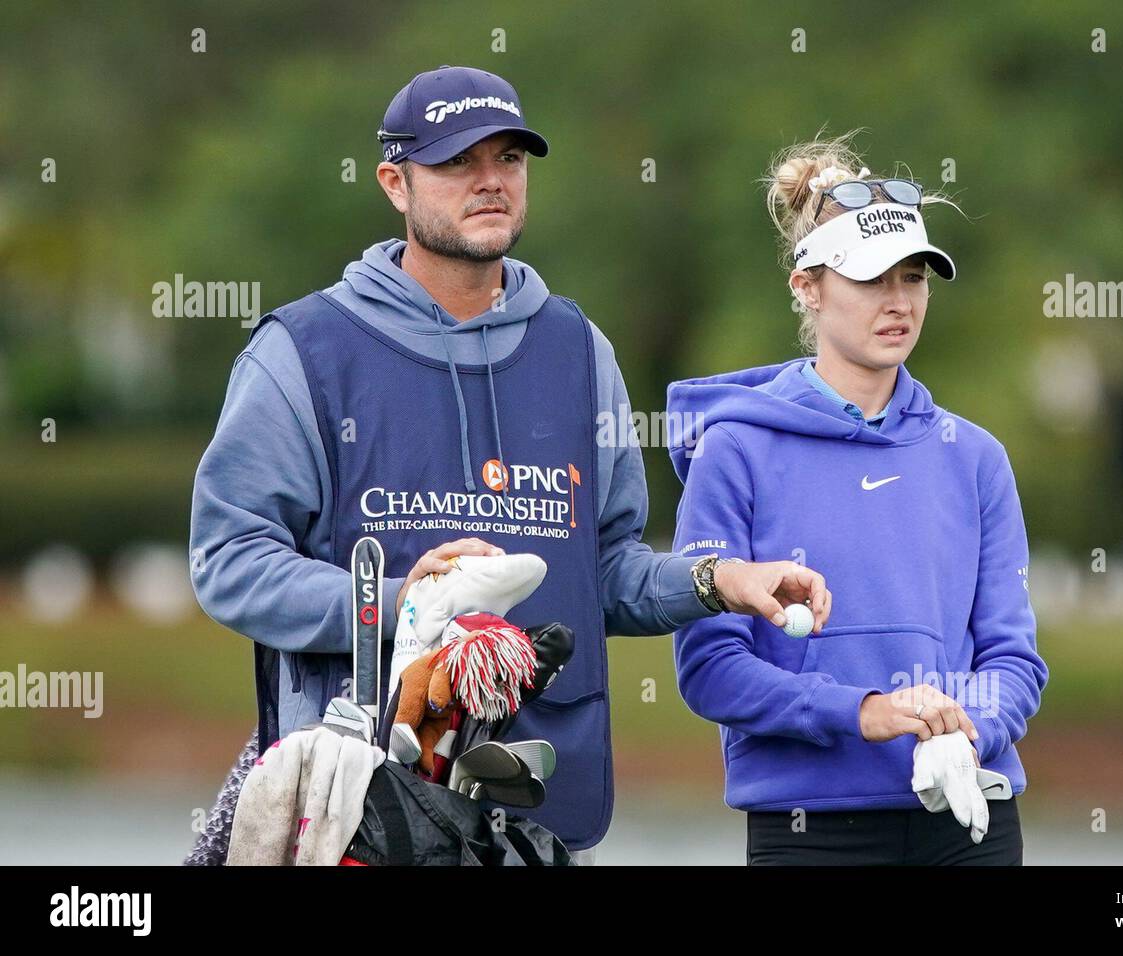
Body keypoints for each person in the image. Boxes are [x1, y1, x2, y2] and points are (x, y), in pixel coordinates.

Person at [184, 66, 830, 864]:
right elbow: (229, 562)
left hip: (539, 814)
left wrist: (716, 581)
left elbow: (607, 571)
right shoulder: (302, 352)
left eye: (510, 159)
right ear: (395, 182)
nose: (490, 181)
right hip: (360, 809)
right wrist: (405, 603)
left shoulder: (579, 351)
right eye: (458, 161)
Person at [666, 133, 1049, 865]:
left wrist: (961, 728)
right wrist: (864, 713)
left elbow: (1013, 657)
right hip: (812, 827)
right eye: (873, 279)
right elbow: (710, 668)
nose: (898, 301)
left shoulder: (974, 459)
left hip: (968, 814)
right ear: (807, 287)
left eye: (914, 277)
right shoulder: (735, 452)